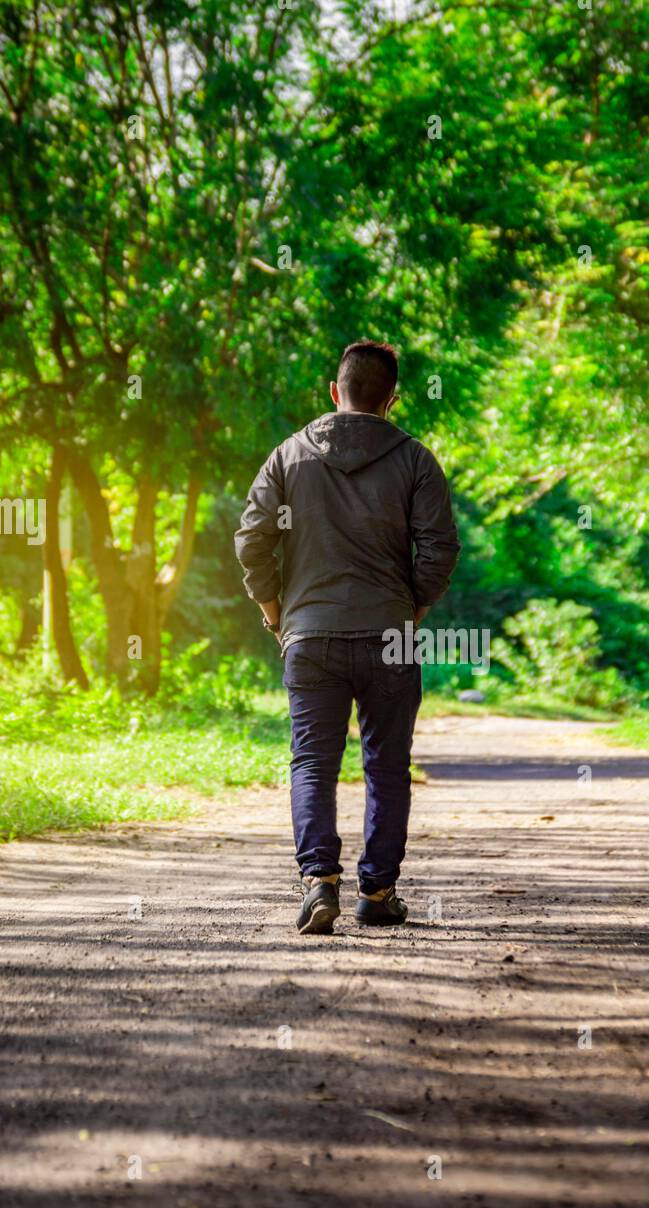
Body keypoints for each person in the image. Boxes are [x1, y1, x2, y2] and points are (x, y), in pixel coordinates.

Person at [235, 340, 460, 934]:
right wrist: (411, 612)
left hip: (308, 634)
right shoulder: (415, 460)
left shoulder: (288, 456)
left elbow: (252, 537)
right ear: (392, 401)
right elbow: (439, 548)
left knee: (312, 760)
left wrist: (274, 611)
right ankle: (379, 892)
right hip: (391, 635)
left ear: (335, 393)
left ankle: (319, 884)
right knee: (387, 765)